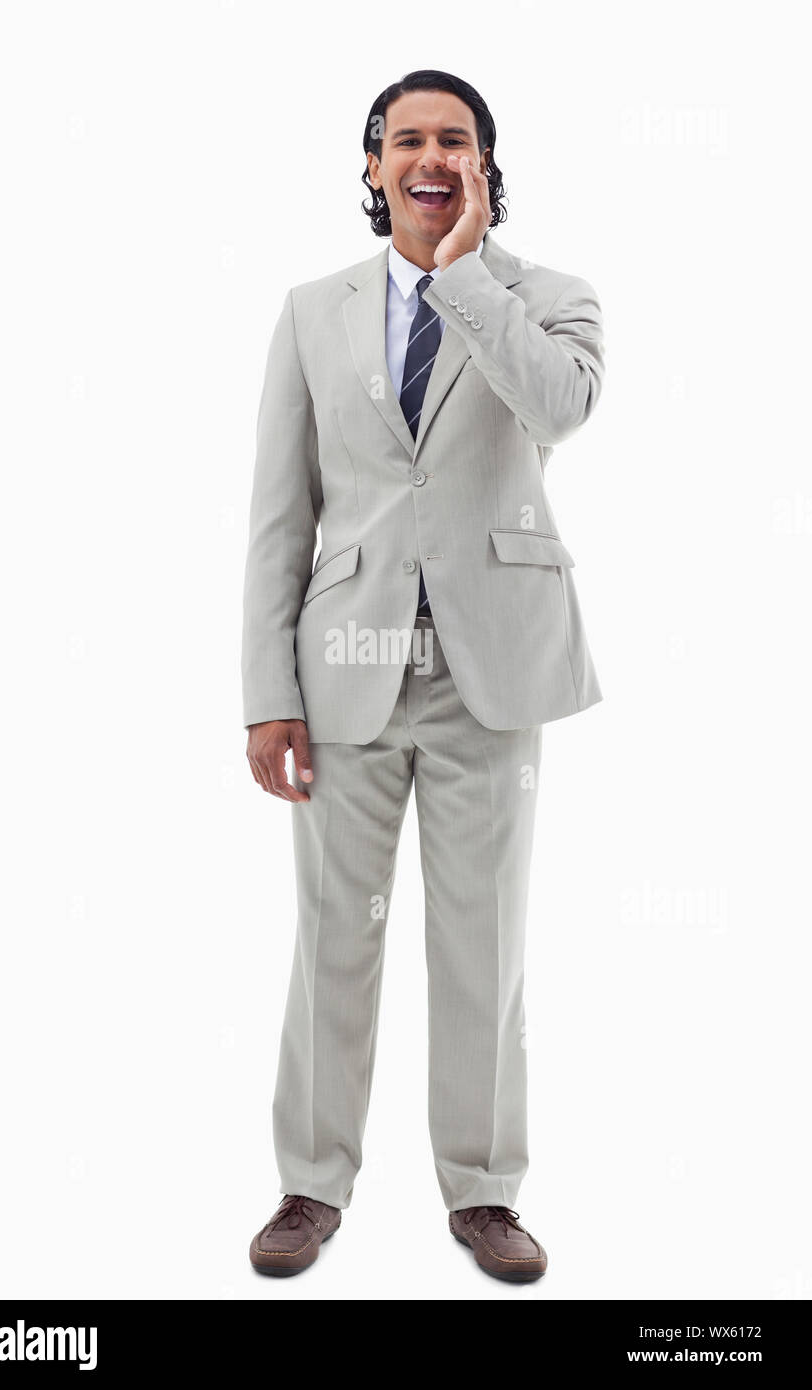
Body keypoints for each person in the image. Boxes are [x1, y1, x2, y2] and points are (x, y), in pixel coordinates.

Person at [241, 69, 605, 1281]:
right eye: (406, 140)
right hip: (343, 673)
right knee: (332, 937)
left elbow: (556, 406)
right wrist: (266, 693)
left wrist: (460, 273)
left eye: (454, 140)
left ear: (486, 169)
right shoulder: (310, 312)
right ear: (371, 165)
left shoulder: (547, 300)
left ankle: (482, 1191)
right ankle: (309, 1184)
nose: (428, 156)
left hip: (488, 670)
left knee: (479, 942)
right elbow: (277, 520)